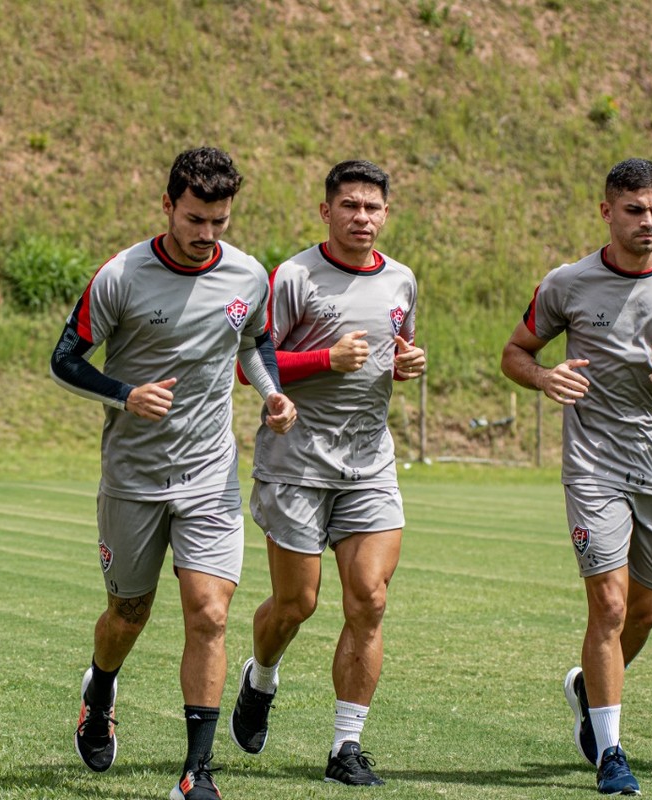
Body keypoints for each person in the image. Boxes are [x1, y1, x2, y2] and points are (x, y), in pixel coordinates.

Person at [50, 146, 296, 800]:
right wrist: (123, 393)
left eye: (218, 222)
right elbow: (65, 359)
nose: (206, 235)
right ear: (167, 206)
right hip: (132, 476)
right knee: (127, 614)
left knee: (210, 615)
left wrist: (271, 394)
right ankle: (100, 689)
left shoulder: (247, 275)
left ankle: (197, 773)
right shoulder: (121, 276)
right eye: (194, 220)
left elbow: (257, 342)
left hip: (210, 476)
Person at [500, 158, 652, 796]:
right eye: (634, 210)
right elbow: (516, 352)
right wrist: (546, 377)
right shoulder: (568, 283)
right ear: (605, 211)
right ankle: (611, 753)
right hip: (593, 467)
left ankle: (587, 687)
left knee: (646, 611)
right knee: (607, 605)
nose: (648, 222)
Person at [227, 159, 425, 786]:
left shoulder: (402, 280)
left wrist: (408, 362)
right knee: (296, 603)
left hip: (370, 461)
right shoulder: (293, 276)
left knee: (368, 598)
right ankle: (259, 679)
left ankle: (346, 746)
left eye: (373, 208)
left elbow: (397, 347)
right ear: (326, 212)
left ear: (386, 214)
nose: (361, 218)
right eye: (350, 207)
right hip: (297, 460)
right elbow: (248, 365)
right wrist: (324, 359)